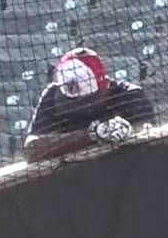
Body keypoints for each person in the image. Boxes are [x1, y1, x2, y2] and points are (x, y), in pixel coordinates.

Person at [23, 47, 157, 163]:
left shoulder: (129, 95)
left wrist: (128, 132)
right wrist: (92, 134)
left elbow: (147, 134)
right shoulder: (52, 96)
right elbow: (32, 149)